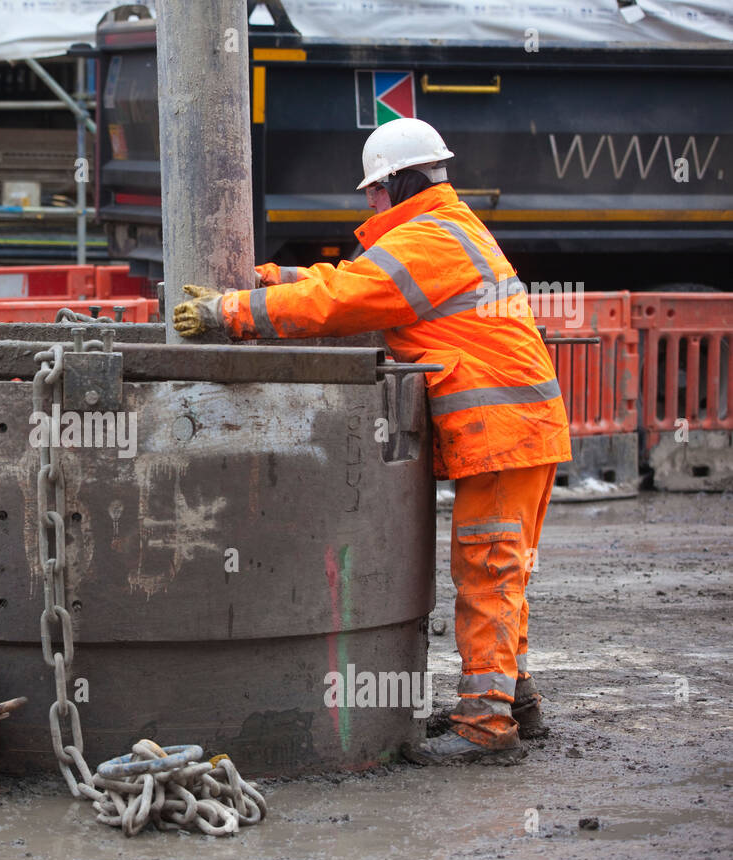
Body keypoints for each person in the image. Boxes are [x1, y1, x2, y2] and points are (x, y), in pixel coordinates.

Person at [173, 117, 571, 766]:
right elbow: (349, 284)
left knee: (489, 572)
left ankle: (486, 727)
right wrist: (270, 281)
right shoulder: (443, 232)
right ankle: (511, 700)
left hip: (503, 436)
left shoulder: (428, 239)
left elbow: (347, 300)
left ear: (403, 182)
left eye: (375, 190)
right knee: (505, 570)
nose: (369, 203)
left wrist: (234, 312)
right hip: (519, 433)